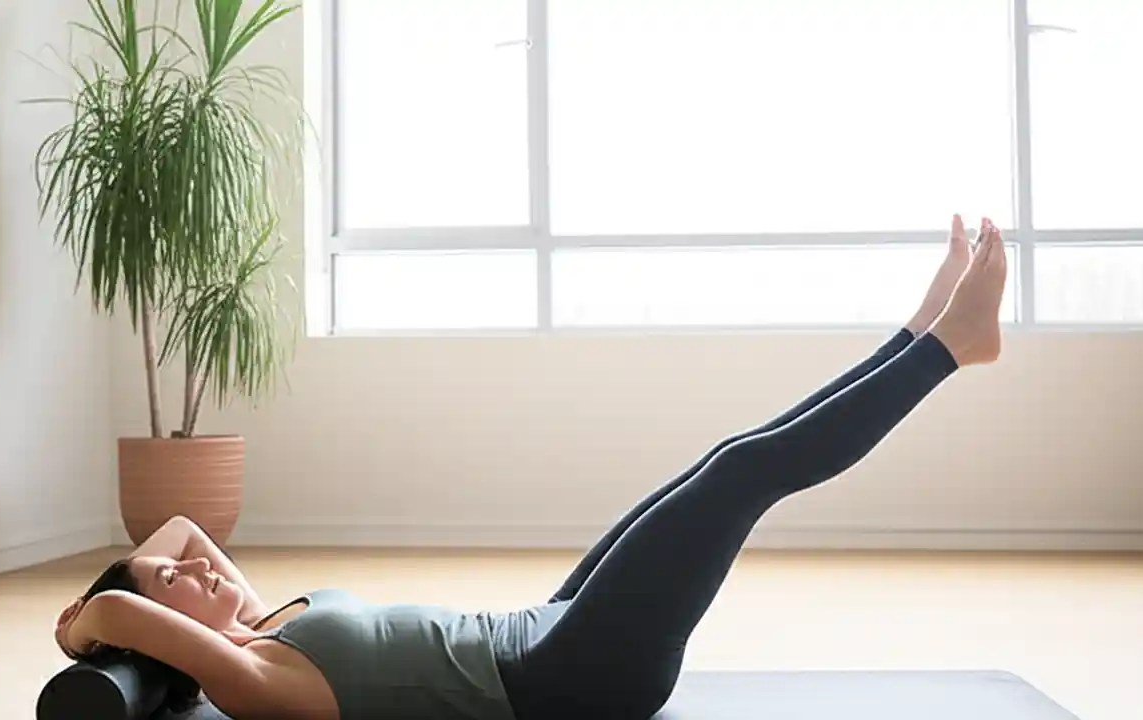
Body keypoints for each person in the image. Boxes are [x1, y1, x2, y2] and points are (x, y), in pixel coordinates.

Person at [56, 215, 1008, 720]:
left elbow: (178, 536)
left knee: (722, 461)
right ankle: (948, 349)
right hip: (577, 676)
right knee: (741, 480)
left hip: (548, 626)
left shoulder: (264, 620)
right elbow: (119, 612)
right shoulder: (253, 685)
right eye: (169, 587)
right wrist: (90, 619)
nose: (188, 561)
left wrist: (156, 579)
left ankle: (918, 334)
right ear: (160, 642)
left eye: (171, 566)